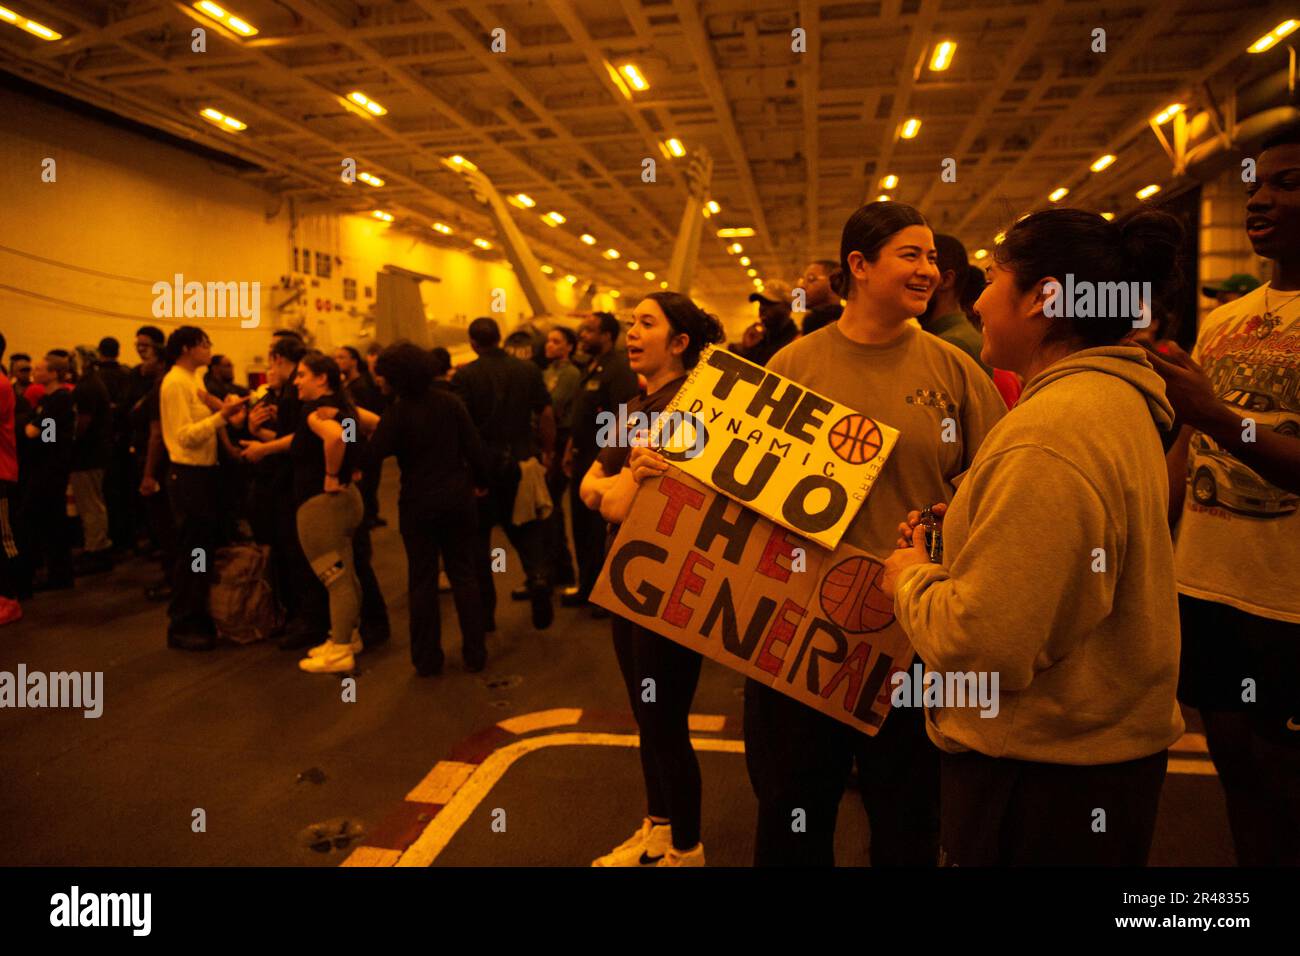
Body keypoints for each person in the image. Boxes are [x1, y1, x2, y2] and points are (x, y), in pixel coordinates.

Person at [881, 207, 1187, 866]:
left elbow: (985, 645)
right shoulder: (1115, 401)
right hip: (1096, 761)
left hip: (1039, 781)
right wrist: (962, 541)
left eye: (993, 277)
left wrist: (912, 576)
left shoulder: (1052, 431)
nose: (977, 297)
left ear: (1044, 299)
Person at [743, 201, 1006, 867]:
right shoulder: (792, 367)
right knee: (793, 813)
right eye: (909, 256)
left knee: (910, 818)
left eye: (931, 259)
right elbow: (732, 487)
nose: (929, 271)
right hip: (800, 634)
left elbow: (998, 486)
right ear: (858, 267)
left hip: (911, 638)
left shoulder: (955, 372)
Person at [1153, 128, 1300, 866]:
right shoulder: (1226, 319)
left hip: (1288, 605)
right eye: (1255, 187)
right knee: (1238, 778)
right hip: (1207, 588)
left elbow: (1216, 423)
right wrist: (1147, 535)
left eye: (1288, 183)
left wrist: (1218, 416)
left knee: (1287, 785)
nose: (1262, 199)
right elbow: (1190, 443)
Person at [580, 291, 725, 867]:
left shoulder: (693, 408)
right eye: (630, 324)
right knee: (646, 716)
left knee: (665, 719)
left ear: (681, 342)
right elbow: (595, 487)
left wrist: (616, 493)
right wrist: (617, 489)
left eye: (647, 323)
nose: (632, 333)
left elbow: (614, 503)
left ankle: (687, 849)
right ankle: (658, 830)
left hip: (668, 586)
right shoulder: (631, 404)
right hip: (625, 578)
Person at [370, 342, 488, 674]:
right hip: (457, 499)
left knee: (421, 581)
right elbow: (475, 448)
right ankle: (475, 653)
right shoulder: (451, 403)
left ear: (396, 377)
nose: (379, 382)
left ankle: (426, 659)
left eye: (383, 377)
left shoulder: (397, 413)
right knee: (465, 575)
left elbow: (372, 454)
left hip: (417, 504)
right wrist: (481, 482)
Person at [452, 317, 557, 631]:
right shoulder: (528, 370)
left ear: (473, 342)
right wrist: (547, 452)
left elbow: (463, 428)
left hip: (483, 467)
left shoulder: (465, 376)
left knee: (479, 542)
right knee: (526, 529)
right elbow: (546, 413)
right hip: (522, 462)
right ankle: (537, 577)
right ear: (500, 338)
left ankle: (486, 615)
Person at [159, 327, 246, 649]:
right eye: (204, 344)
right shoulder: (175, 383)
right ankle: (182, 623)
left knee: (202, 551)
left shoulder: (194, 379)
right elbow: (184, 436)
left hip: (204, 474)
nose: (210, 349)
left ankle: (197, 615)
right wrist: (221, 417)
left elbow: (208, 417)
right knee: (192, 552)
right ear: (186, 348)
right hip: (188, 475)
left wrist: (224, 413)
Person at [281, 352, 367, 675]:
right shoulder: (343, 407)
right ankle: (347, 636)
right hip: (348, 500)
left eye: (302, 374)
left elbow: (335, 438)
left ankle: (342, 650)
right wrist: (352, 467)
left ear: (321, 378)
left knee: (335, 580)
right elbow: (362, 427)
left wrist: (332, 473)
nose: (296, 381)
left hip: (321, 505)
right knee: (347, 574)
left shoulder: (315, 411)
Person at [563, 312, 639, 612]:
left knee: (599, 530)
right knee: (581, 528)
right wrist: (571, 446)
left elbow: (625, 417)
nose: (582, 335)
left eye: (589, 331)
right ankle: (586, 585)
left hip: (603, 460)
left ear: (607, 335)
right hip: (583, 457)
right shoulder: (592, 366)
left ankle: (602, 594)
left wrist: (611, 461)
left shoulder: (618, 368)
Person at [18, 353, 76, 594]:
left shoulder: (59, 400)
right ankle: (58, 573)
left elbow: (40, 434)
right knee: (52, 521)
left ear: (53, 373)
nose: (34, 372)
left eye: (40, 368)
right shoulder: (48, 399)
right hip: (48, 467)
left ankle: (59, 574)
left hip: (51, 470)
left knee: (49, 521)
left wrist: (33, 428)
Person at [536, 326, 580, 596]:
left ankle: (560, 566)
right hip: (545, 438)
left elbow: (554, 403)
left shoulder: (571, 374)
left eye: (556, 341)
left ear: (569, 347)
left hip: (561, 438)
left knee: (552, 505)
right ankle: (558, 564)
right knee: (548, 507)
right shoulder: (546, 371)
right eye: (548, 341)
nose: (548, 345)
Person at [69, 346, 115, 574]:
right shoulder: (93, 383)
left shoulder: (86, 387)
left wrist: (69, 440)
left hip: (88, 455)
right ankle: (96, 545)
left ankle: (97, 549)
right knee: (93, 503)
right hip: (95, 453)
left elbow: (82, 423)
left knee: (91, 505)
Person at [335, 345, 386, 529]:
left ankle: (367, 518)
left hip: (363, 442)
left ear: (354, 360)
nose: (338, 361)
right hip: (359, 441)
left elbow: (353, 420)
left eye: (342, 357)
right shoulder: (347, 386)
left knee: (366, 484)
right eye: (336, 358)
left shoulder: (361, 386)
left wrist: (350, 444)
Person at [0, 334, 19, 625]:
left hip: (1, 470)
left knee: (3, 540)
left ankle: (11, 598)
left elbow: (50, 432)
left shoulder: (1, 384)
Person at [743, 281, 799, 366]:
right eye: (761, 303)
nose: (762, 308)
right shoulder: (759, 341)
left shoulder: (796, 344)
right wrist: (747, 350)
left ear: (787, 307)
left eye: (769, 303)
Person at [794, 259, 843, 336]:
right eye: (803, 280)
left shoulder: (816, 320)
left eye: (811, 279)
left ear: (834, 282)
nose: (802, 286)